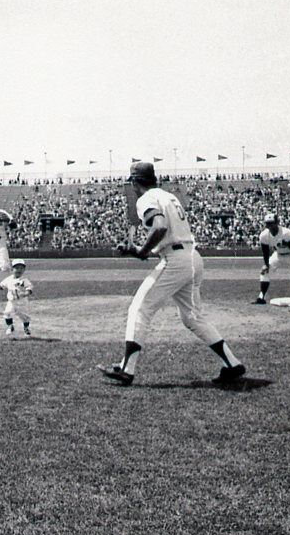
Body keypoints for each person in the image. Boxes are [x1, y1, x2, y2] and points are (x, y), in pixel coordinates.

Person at [97, 162, 247, 386]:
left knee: (139, 308)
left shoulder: (145, 199)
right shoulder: (169, 196)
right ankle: (232, 364)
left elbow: (159, 227)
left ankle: (127, 369)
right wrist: (138, 250)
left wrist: (142, 251)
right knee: (193, 317)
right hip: (192, 257)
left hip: (175, 260)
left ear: (135, 182)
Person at [255, 213, 290, 304]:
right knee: (265, 271)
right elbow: (265, 251)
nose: (270, 226)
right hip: (278, 254)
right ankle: (261, 296)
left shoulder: (286, 233)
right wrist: (266, 264)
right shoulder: (264, 235)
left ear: (277, 223)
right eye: (268, 224)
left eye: (272, 223)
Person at [0, 258, 33, 338]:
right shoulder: (9, 279)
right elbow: (1, 286)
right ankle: (10, 326)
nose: (19, 270)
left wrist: (25, 293)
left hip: (22, 302)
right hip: (12, 302)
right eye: (17, 268)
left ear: (24, 270)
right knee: (7, 313)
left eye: (21, 268)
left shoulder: (24, 280)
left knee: (25, 317)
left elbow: (29, 289)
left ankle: (26, 328)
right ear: (12, 269)